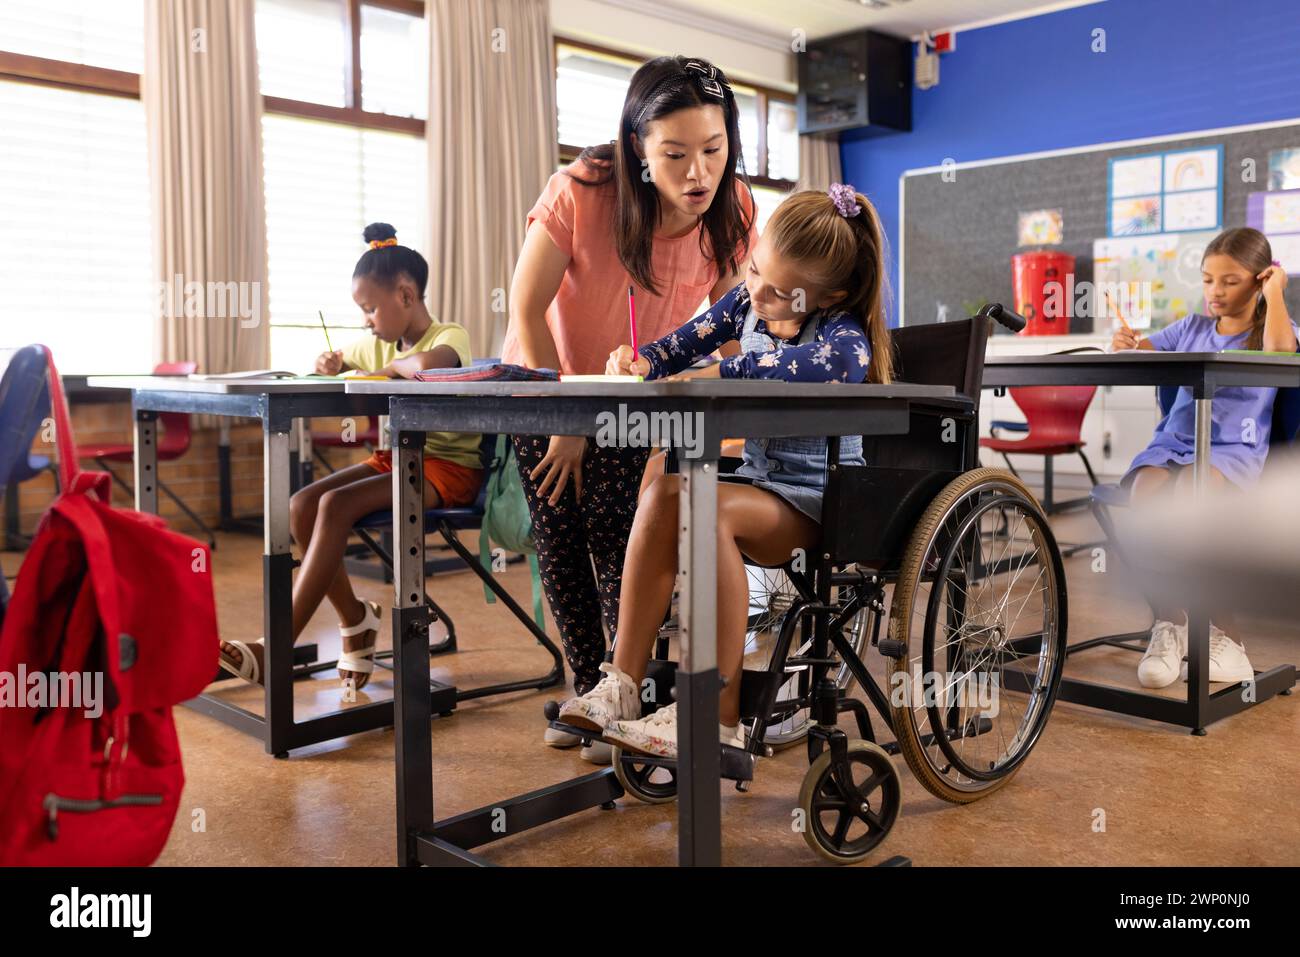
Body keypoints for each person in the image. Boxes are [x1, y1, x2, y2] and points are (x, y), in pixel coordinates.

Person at [558, 185, 893, 758]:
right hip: (762, 484)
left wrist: (721, 370)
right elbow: (679, 346)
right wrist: (640, 360)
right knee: (666, 491)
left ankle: (716, 716)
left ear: (828, 294)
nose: (755, 290)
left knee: (702, 507)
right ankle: (621, 686)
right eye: (754, 268)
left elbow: (817, 365)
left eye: (777, 288)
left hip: (822, 499)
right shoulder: (746, 302)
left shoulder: (843, 338)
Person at [502, 55, 757, 761]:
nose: (697, 173)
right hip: (544, 385)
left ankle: (621, 689)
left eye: (714, 150)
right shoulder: (582, 192)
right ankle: (588, 687)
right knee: (560, 533)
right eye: (675, 155)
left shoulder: (730, 211)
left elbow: (737, 329)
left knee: (620, 532)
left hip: (636, 389)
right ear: (637, 148)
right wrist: (566, 415)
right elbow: (527, 310)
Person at [218, 223, 483, 689]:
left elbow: (426, 366)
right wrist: (332, 364)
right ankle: (357, 622)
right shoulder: (379, 339)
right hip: (395, 459)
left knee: (334, 506)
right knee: (301, 505)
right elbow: (343, 358)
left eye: (370, 308)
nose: (366, 320)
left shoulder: (449, 333)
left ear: (405, 295)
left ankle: (274, 646)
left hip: (448, 467)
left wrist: (385, 369)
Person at [1113, 227, 1297, 688]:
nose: (1216, 291)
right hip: (1174, 442)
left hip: (1232, 451)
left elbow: (1282, 356)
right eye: (1208, 280)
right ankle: (1170, 624)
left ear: (1260, 279)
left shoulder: (1274, 329)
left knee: (1195, 502)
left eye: (1230, 281)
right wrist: (1130, 344)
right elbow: (1145, 354)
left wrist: (1275, 293)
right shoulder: (1190, 328)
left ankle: (1227, 638)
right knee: (1145, 496)